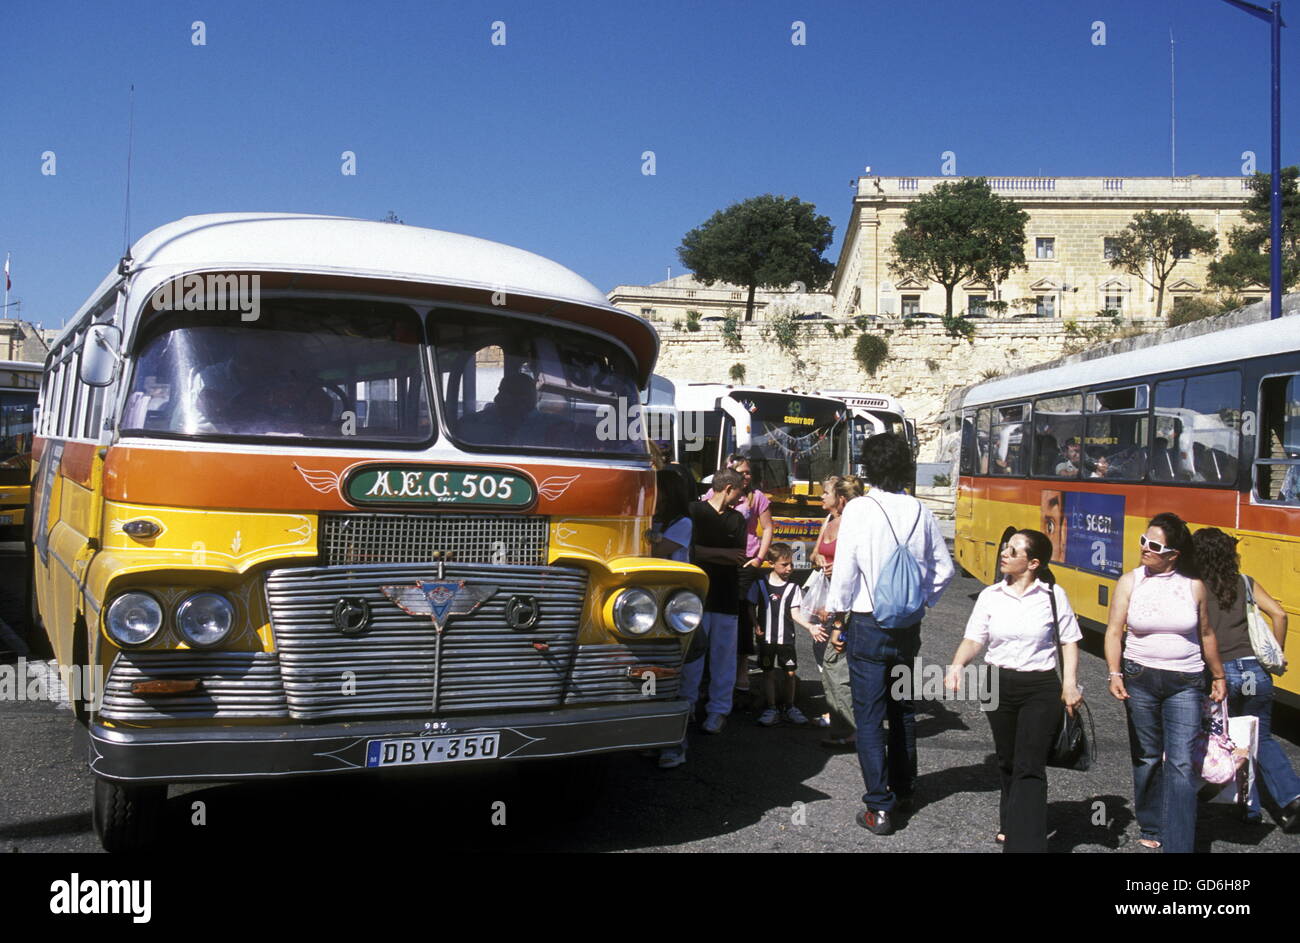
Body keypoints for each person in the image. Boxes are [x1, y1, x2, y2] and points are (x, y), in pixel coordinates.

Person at [827, 433, 955, 836]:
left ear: (869, 467)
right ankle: (904, 790)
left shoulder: (861, 509)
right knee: (902, 711)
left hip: (867, 621)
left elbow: (845, 570)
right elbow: (945, 570)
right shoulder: (921, 511)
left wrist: (836, 616)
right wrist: (921, 601)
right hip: (907, 625)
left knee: (868, 716)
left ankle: (878, 807)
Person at [947, 529, 1083, 852]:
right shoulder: (990, 595)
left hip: (1040, 687)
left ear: (1033, 562)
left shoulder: (1052, 595)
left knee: (1029, 764)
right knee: (1007, 759)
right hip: (997, 683)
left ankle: (1027, 844)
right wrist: (957, 665)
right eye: (1005, 548)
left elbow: (1069, 640)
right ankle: (1010, 822)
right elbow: (974, 638)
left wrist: (1069, 684)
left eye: (1013, 550)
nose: (1004, 554)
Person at [1105, 512, 1227, 852]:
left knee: (1182, 762)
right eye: (1144, 541)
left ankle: (1179, 844)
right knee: (1146, 757)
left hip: (1186, 681)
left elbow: (1206, 633)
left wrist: (1218, 675)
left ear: (1173, 553)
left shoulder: (1193, 586)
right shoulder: (1130, 581)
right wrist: (1114, 672)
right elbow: (1115, 631)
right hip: (1139, 677)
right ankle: (1153, 824)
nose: (1144, 548)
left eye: (1154, 545)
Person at [1191, 527, 1300, 831]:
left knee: (1221, 739)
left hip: (1219, 673)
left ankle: (1243, 806)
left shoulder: (1194, 587)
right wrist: (1275, 652)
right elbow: (1279, 614)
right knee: (1258, 739)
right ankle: (1292, 795)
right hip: (1254, 671)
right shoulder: (1245, 582)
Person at [659, 467, 746, 768]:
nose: (743, 494)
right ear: (729, 488)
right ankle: (689, 709)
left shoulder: (737, 518)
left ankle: (719, 709)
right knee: (692, 658)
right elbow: (701, 553)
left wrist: (709, 553)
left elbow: (739, 556)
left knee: (723, 655)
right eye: (741, 488)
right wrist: (718, 554)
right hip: (694, 597)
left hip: (725, 594)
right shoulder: (694, 512)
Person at [705, 453, 773, 703]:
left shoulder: (756, 497)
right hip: (718, 561)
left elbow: (767, 528)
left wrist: (758, 558)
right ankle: (711, 667)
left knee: (742, 611)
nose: (746, 476)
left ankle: (742, 669)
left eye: (748, 472)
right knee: (713, 610)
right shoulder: (716, 494)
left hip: (745, 562)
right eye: (741, 472)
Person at [811, 474, 863, 746]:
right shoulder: (830, 521)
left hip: (846, 604)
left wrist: (839, 618)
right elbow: (815, 554)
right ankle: (842, 725)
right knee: (828, 662)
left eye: (826, 492)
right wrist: (820, 558)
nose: (821, 497)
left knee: (836, 663)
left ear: (840, 498)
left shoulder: (854, 525)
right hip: (829, 600)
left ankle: (854, 730)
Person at [749, 543, 821, 726]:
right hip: (766, 639)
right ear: (771, 563)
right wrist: (755, 623)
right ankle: (771, 708)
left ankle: (790, 707)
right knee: (768, 673)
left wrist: (810, 627)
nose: (789, 568)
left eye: (791, 564)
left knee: (790, 673)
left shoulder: (793, 588)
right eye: (784, 564)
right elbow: (750, 605)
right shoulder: (760, 584)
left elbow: (796, 613)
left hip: (786, 639)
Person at [647, 468, 692, 562]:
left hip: (671, 575)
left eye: (653, 488)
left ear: (666, 492)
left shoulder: (683, 523)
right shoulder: (652, 518)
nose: (649, 492)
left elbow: (654, 553)